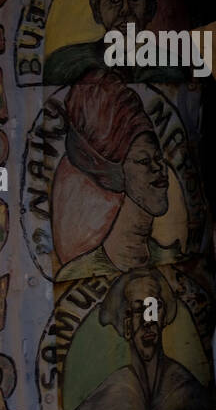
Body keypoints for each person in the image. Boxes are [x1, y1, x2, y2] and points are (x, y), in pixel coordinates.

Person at [63, 268, 213, 410]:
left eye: (153, 308)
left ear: (163, 316)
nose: (147, 322)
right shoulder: (116, 389)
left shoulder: (183, 385)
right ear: (126, 324)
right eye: (137, 310)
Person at [52, 73, 181, 281]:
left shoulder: (172, 256)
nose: (159, 168)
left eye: (158, 158)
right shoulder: (78, 273)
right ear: (114, 174)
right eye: (143, 161)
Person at [44, 0, 174, 85]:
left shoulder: (170, 67)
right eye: (114, 0)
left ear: (149, 9)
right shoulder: (64, 66)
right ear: (96, 9)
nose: (125, 10)